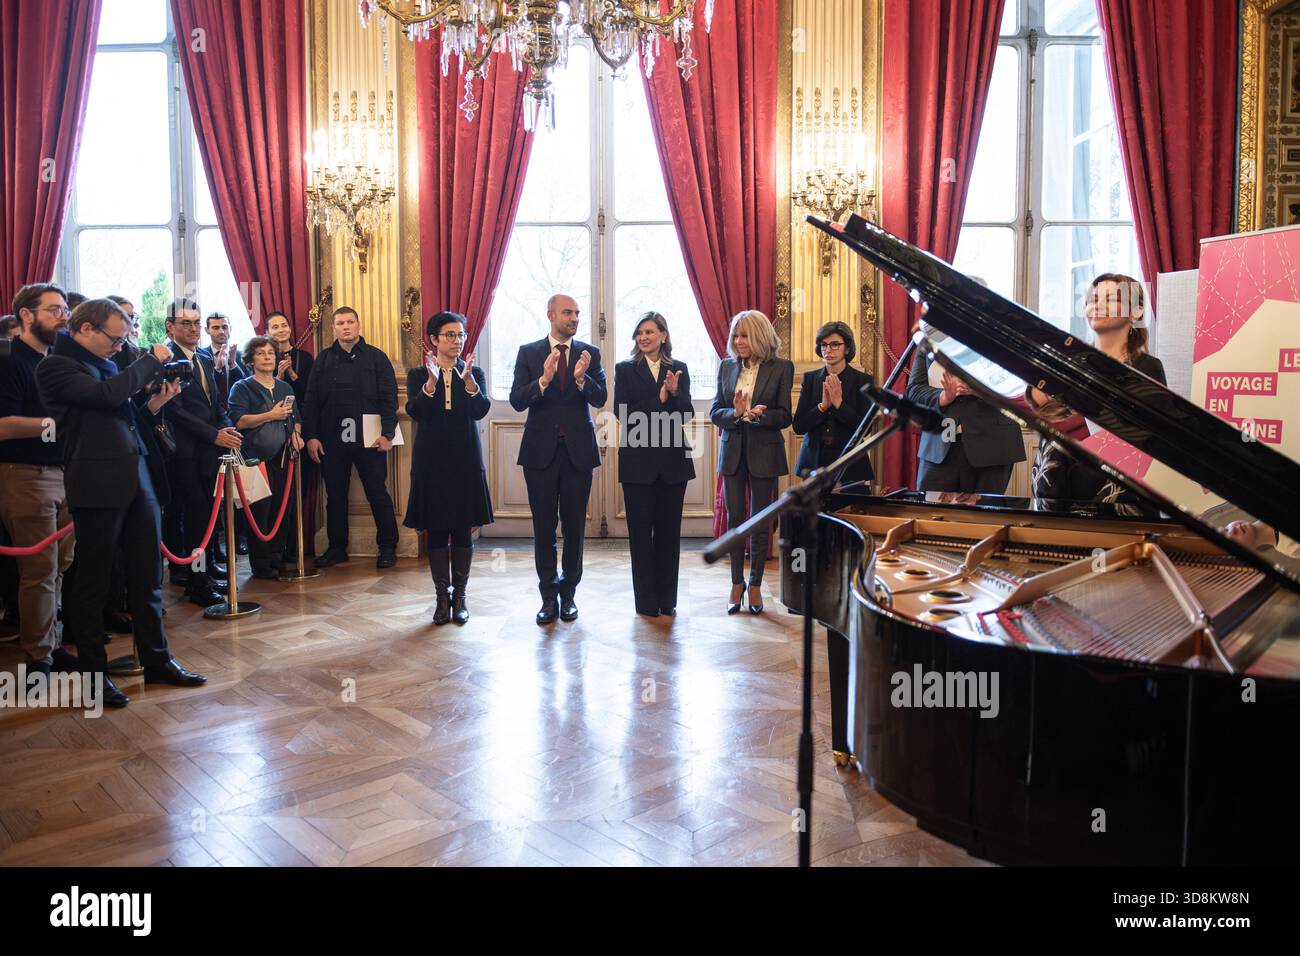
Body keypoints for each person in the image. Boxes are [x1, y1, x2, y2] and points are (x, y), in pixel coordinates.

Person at [36, 298, 206, 708]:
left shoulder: (109, 363)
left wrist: (155, 404)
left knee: (148, 576)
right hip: (95, 483)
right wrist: (150, 360)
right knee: (94, 583)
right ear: (86, 329)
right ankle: (94, 675)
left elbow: (123, 415)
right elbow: (105, 396)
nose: (119, 346)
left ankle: (157, 659)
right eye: (115, 338)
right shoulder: (56, 366)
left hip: (137, 477)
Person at [509, 293, 608, 625]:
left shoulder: (589, 353)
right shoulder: (529, 352)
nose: (574, 318)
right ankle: (548, 597)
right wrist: (543, 381)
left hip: (578, 453)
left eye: (578, 313)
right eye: (568, 313)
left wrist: (581, 378)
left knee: (576, 527)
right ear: (551, 314)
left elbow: (601, 396)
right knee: (543, 528)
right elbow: (516, 401)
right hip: (540, 454)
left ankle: (569, 595)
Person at [1029, 273, 1167, 504]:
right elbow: (1043, 409)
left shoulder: (1148, 368)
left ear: (1136, 312)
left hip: (1115, 491)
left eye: (1110, 299)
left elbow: (1149, 433)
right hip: (1054, 486)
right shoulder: (1067, 360)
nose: (1098, 305)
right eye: (1093, 299)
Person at [0, 284, 74, 682]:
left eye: (64, 310)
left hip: (64, 473)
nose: (63, 317)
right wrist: (58, 426)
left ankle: (53, 643)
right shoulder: (10, 361)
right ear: (27, 315)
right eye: (53, 310)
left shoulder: (56, 361)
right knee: (39, 570)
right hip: (26, 474)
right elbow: (3, 425)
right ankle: (39, 656)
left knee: (60, 567)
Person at [404, 312, 492, 625]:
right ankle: (442, 597)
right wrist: (430, 383)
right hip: (431, 460)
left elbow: (480, 410)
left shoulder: (474, 372)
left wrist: (468, 382)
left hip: (465, 459)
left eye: (460, 335)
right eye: (450, 335)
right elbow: (416, 412)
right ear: (435, 339)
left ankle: (461, 597)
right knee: (438, 528)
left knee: (463, 526)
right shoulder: (418, 374)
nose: (457, 341)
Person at [709, 310, 793, 615]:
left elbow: (785, 415)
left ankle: (755, 584)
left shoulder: (781, 367)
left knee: (759, 520)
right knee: (735, 520)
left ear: (759, 336)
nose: (738, 341)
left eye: (744, 335)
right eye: (736, 336)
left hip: (765, 453)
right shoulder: (726, 367)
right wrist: (734, 413)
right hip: (732, 452)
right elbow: (715, 411)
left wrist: (758, 414)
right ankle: (736, 583)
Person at [303, 306, 400, 569]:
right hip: (331, 440)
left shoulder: (377, 358)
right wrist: (311, 436)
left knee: (377, 493)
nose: (345, 327)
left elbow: (389, 399)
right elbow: (310, 402)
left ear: (358, 325)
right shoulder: (322, 360)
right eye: (340, 323)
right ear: (333, 328)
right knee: (334, 495)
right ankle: (337, 548)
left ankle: (388, 547)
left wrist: (388, 434)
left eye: (350, 322)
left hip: (369, 438)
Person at [613, 311, 694, 618]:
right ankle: (646, 603)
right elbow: (623, 412)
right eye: (639, 333)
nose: (643, 338)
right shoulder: (625, 369)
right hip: (637, 465)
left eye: (649, 332)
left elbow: (686, 414)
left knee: (669, 535)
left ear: (663, 335)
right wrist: (658, 401)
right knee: (640, 535)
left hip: (673, 465)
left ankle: (667, 601)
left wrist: (674, 394)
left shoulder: (680, 369)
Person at [164, 298, 243, 606]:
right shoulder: (165, 360)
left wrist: (227, 428)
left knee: (209, 516)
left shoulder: (206, 359)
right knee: (195, 518)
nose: (194, 329)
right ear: (170, 327)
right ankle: (195, 583)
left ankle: (207, 569)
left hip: (210, 450)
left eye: (197, 323)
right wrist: (214, 435)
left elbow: (216, 405)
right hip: (183, 452)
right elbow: (174, 410)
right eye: (187, 323)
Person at [906, 316, 1026, 493]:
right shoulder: (932, 335)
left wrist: (980, 390)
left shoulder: (1003, 334)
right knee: (931, 515)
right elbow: (914, 390)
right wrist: (944, 396)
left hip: (993, 445)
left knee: (981, 519)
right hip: (940, 446)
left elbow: (1022, 386)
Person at [228, 337, 303, 579]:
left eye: (271, 352)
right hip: (254, 459)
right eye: (261, 353)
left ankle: (276, 557)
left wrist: (296, 435)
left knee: (283, 507)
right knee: (260, 511)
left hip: (283, 458)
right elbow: (239, 421)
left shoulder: (285, 388)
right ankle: (260, 564)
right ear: (251, 360)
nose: (268, 357)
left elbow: (295, 419)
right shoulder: (241, 387)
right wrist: (270, 415)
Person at [792, 320, 874, 485]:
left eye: (835, 344)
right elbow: (798, 426)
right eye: (824, 345)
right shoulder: (810, 379)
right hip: (814, 461)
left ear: (847, 348)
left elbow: (866, 428)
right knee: (813, 511)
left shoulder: (863, 380)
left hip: (850, 462)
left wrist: (839, 404)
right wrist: (822, 408)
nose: (828, 350)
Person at [266, 310, 316, 564]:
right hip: (271, 433)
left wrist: (293, 375)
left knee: (298, 488)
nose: (281, 329)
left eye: (284, 325)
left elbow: (310, 395)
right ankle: (276, 548)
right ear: (268, 332)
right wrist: (280, 377)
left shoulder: (304, 358)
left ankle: (296, 547)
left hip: (299, 429)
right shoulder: (264, 358)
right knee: (275, 492)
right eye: (275, 326)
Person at [200, 312, 245, 409]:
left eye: (224, 327)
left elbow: (246, 386)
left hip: (239, 411)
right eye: (216, 328)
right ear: (207, 330)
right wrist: (217, 369)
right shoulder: (200, 356)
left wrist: (233, 365)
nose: (221, 331)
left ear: (230, 329)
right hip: (210, 411)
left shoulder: (242, 356)